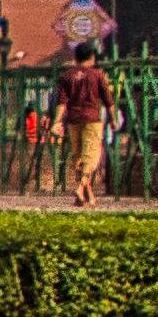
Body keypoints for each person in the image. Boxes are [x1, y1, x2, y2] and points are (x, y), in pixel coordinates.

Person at [56, 44, 115, 208]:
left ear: (75, 57)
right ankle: (81, 186)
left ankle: (86, 197)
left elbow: (61, 102)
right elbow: (108, 101)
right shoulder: (97, 75)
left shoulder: (66, 76)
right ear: (92, 57)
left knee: (78, 156)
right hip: (92, 119)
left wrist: (56, 121)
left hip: (74, 119)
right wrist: (113, 120)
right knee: (91, 155)